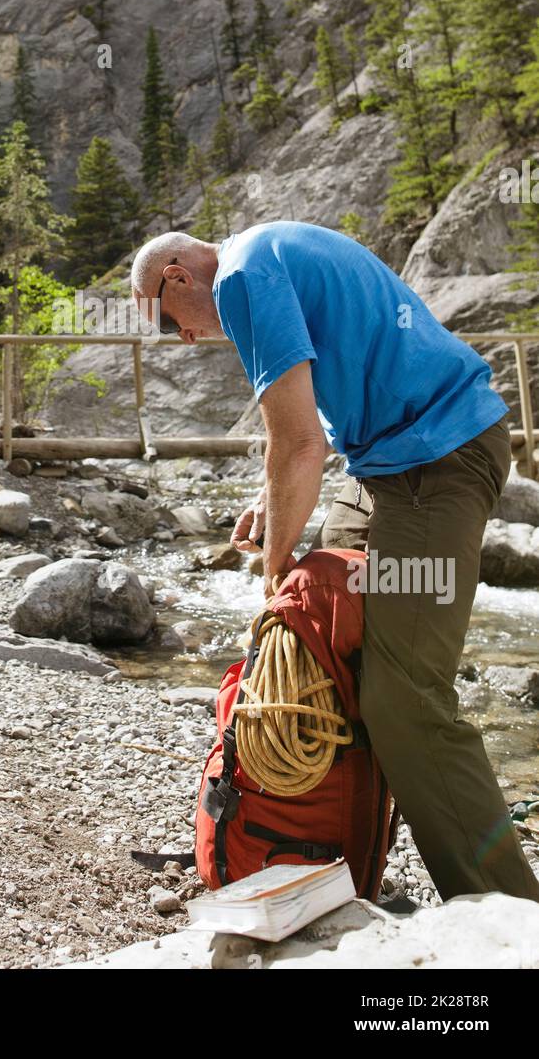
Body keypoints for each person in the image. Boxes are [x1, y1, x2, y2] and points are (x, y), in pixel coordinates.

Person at [130, 222, 539, 905]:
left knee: (404, 694)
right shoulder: (262, 255)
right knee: (325, 643)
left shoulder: (239, 278)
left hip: (437, 460)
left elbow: (298, 446)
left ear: (176, 277)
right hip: (387, 465)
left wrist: (272, 579)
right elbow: (302, 429)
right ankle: (326, 849)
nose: (189, 340)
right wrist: (272, 505)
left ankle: (509, 913)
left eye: (172, 326)